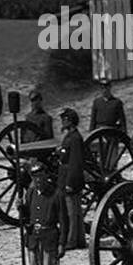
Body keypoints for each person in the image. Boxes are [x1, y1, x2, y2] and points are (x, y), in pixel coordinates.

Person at [20, 160, 63, 265]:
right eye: (34, 177)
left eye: (40, 176)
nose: (38, 180)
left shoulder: (56, 194)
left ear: (46, 176)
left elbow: (63, 222)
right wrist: (21, 208)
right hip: (33, 239)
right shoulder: (31, 193)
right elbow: (26, 218)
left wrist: (62, 243)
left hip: (49, 239)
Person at [56, 107, 85, 252]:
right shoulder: (70, 136)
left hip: (69, 178)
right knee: (73, 211)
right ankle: (78, 239)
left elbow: (76, 163)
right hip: (64, 175)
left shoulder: (75, 138)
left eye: (64, 119)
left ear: (70, 121)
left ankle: (72, 240)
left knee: (72, 213)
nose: (62, 121)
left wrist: (70, 183)